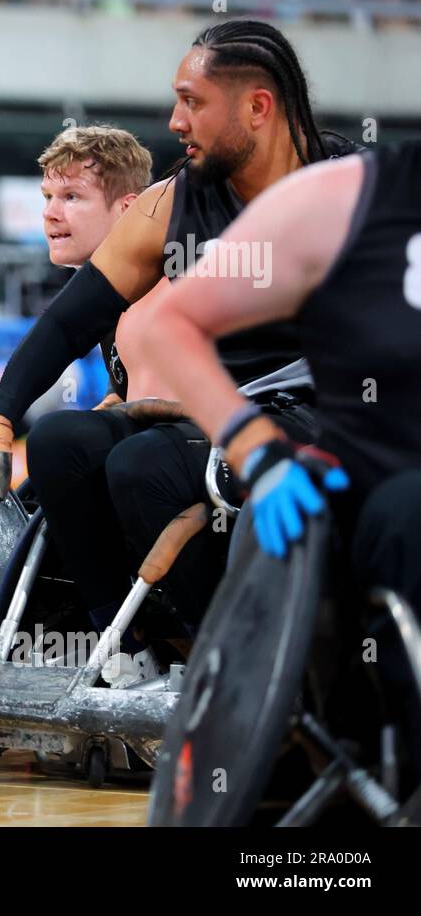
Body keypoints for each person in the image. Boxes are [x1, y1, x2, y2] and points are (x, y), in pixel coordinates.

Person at [0, 19, 354, 684]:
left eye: (193, 103)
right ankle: (126, 653)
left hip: (318, 415)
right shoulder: (174, 202)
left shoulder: (348, 188)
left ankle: (229, 665)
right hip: (210, 415)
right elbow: (64, 324)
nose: (174, 121)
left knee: (143, 466)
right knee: (58, 441)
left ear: (257, 108)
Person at [143, 138, 421, 766]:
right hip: (367, 479)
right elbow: (166, 326)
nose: (178, 120)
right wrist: (255, 449)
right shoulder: (349, 196)